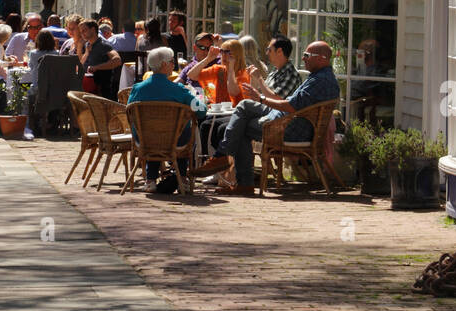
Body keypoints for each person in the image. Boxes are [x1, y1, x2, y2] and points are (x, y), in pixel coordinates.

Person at [196, 41, 340, 196]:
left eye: (307, 55)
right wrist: (260, 97)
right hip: (285, 118)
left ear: (322, 58)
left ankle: (232, 168)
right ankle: (224, 158)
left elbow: (290, 106)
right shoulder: (318, 77)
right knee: (244, 106)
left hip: (288, 127)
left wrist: (261, 99)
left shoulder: (320, 80)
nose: (303, 58)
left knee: (240, 125)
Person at [127, 46, 206, 192]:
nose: (174, 64)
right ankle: (182, 177)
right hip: (175, 141)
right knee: (183, 130)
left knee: (152, 131)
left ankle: (150, 179)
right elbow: (201, 111)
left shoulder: (137, 88)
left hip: (144, 139)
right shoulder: (179, 90)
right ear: (164, 65)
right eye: (171, 61)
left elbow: (130, 114)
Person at [78, 18, 121, 95]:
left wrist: (96, 67)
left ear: (93, 29)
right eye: (81, 32)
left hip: (99, 88)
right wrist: (86, 52)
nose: (82, 34)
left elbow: (117, 60)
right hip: (86, 86)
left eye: (84, 30)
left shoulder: (103, 44)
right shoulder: (87, 44)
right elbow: (81, 64)